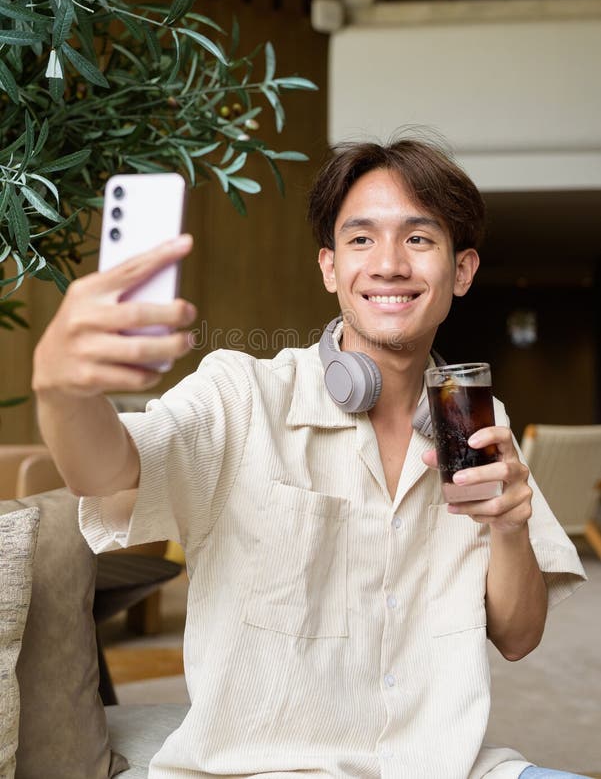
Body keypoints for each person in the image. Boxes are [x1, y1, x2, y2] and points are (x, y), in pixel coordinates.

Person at [33, 139, 588, 779]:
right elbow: (104, 471)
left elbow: (517, 639)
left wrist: (511, 527)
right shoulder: (242, 395)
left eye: (418, 239)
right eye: (361, 239)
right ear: (330, 267)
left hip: (449, 766)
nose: (388, 264)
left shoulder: (477, 420)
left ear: (461, 271)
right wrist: (61, 390)